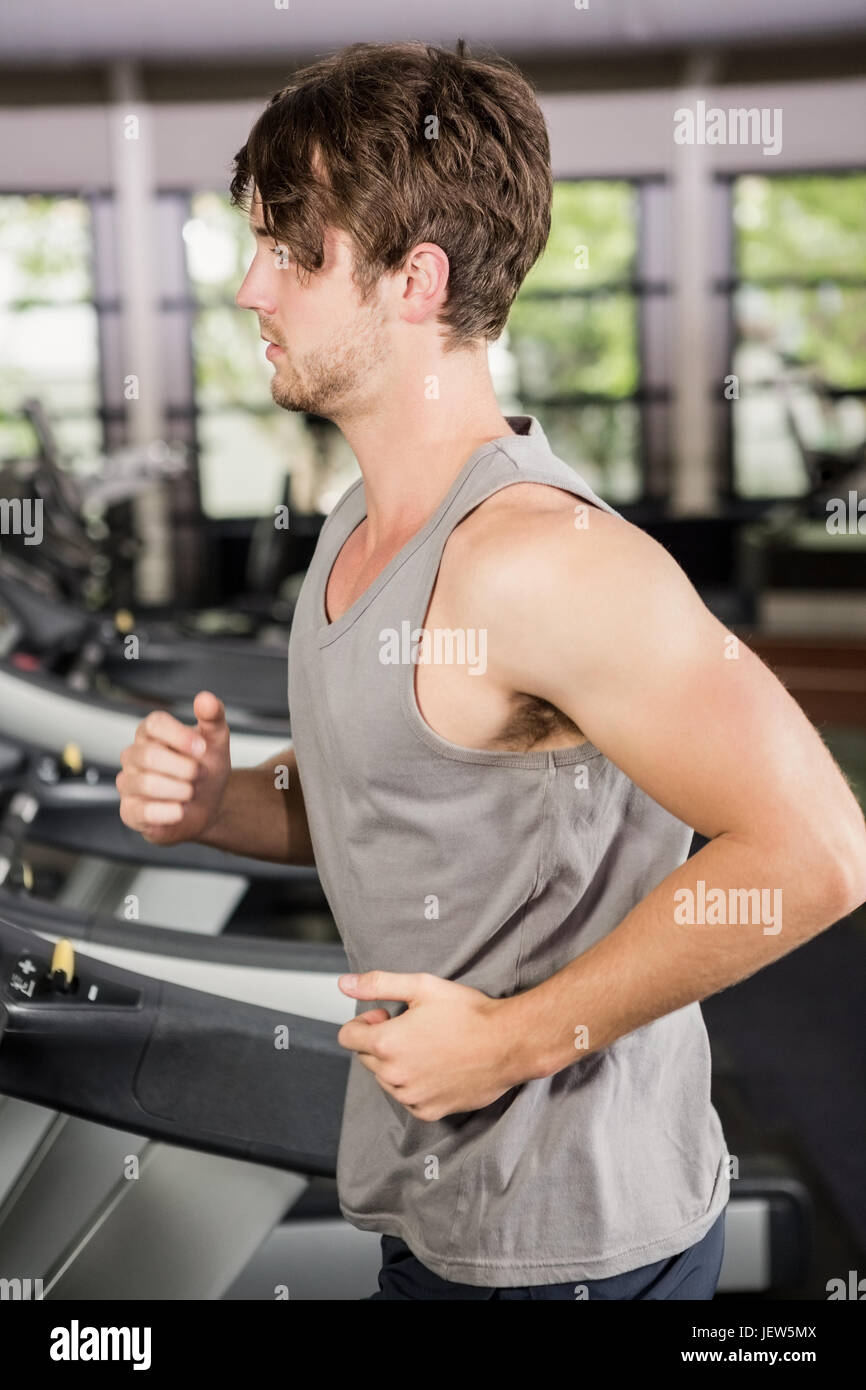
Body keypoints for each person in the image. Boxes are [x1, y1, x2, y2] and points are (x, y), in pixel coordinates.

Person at [116, 41, 866, 1300]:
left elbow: (814, 853)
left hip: (570, 1249)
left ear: (415, 280)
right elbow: (406, 792)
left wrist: (511, 1044)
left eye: (294, 254)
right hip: (429, 1200)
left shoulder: (540, 560)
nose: (252, 288)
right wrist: (222, 804)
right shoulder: (363, 525)